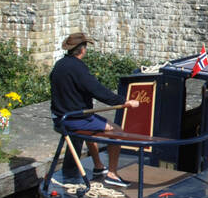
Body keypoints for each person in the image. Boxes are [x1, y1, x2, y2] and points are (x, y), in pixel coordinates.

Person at [50, 32, 140, 187]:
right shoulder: (78, 68)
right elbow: (97, 90)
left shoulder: (59, 65)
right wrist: (124, 102)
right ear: (83, 49)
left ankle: (98, 167)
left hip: (60, 118)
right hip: (75, 119)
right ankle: (112, 174)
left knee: (95, 126)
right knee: (118, 132)